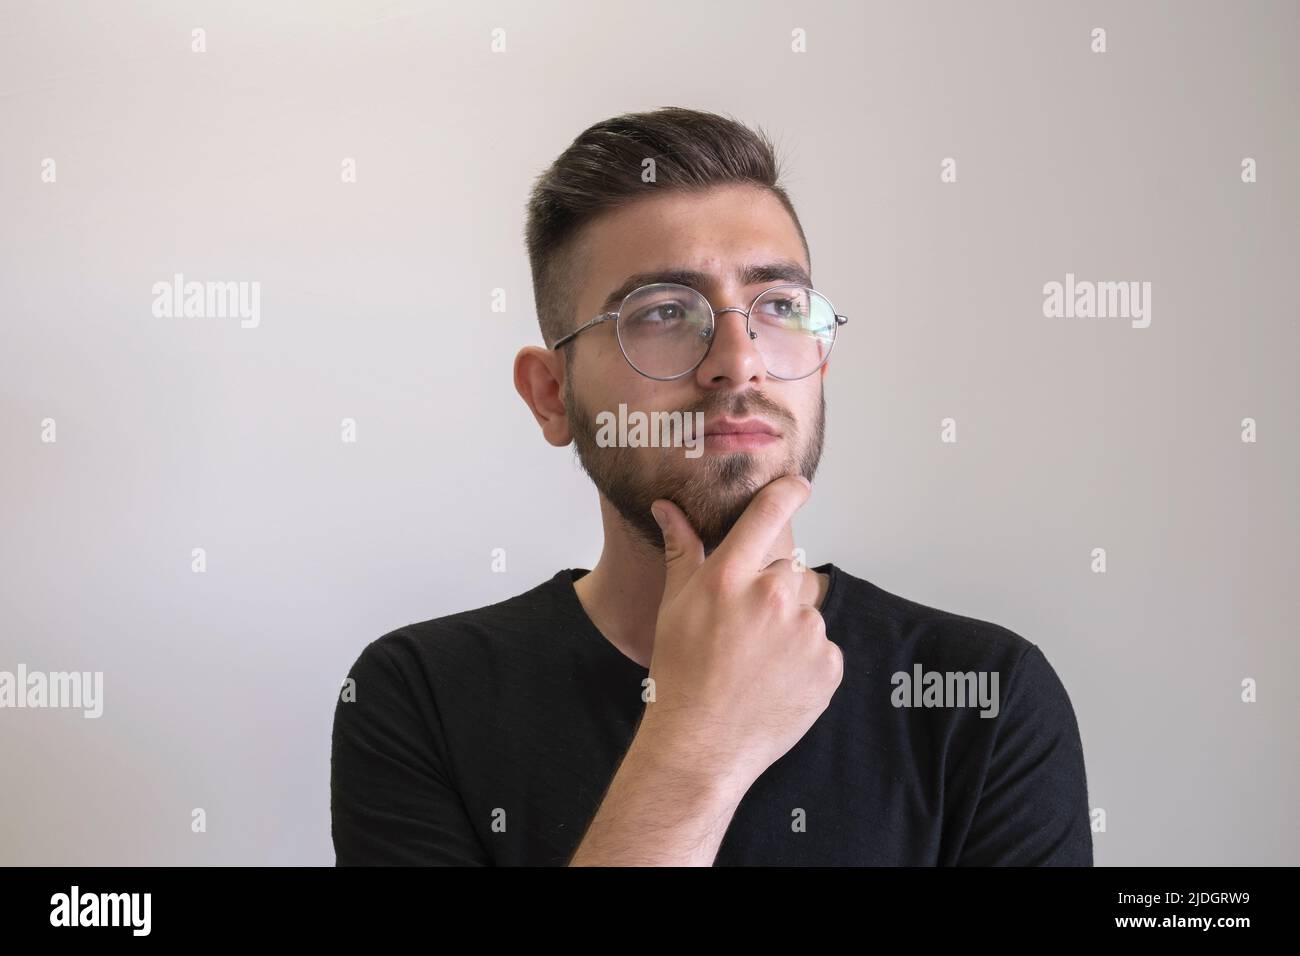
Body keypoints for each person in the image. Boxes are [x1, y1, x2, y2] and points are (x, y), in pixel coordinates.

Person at [330, 107, 1093, 866]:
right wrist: (696, 743)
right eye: (664, 311)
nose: (740, 358)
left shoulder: (980, 693)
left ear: (820, 362)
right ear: (552, 395)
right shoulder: (421, 697)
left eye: (779, 307)